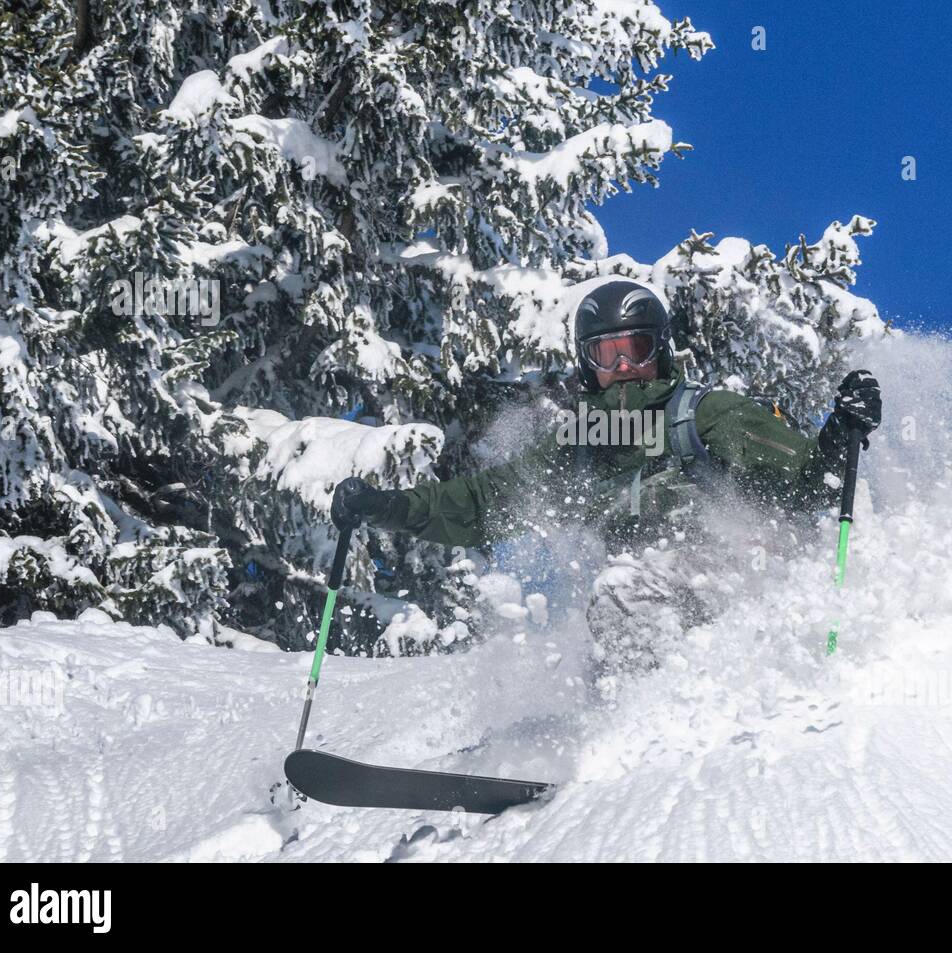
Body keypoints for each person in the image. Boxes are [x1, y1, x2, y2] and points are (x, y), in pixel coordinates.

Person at [331, 279, 881, 690]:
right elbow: (482, 502)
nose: (621, 367)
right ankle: (619, 741)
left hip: (741, 575)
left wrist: (840, 432)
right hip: (656, 605)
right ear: (585, 364)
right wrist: (387, 507)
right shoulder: (580, 445)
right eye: (606, 354)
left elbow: (811, 485)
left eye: (634, 350)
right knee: (601, 642)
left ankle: (656, 726)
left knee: (620, 594)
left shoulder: (706, 414)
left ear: (659, 351)